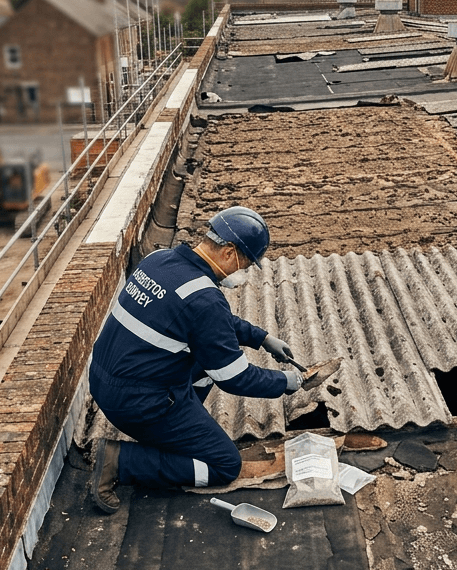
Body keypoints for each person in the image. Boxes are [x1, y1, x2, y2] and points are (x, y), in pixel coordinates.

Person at [86, 206, 301, 513]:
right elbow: (234, 377)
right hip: (137, 404)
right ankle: (119, 462)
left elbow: (207, 324)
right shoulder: (204, 298)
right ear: (228, 252)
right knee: (224, 464)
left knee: (204, 364)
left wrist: (261, 338)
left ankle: (177, 433)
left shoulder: (158, 260)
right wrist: (285, 382)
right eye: (245, 263)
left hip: (106, 381)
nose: (243, 271)